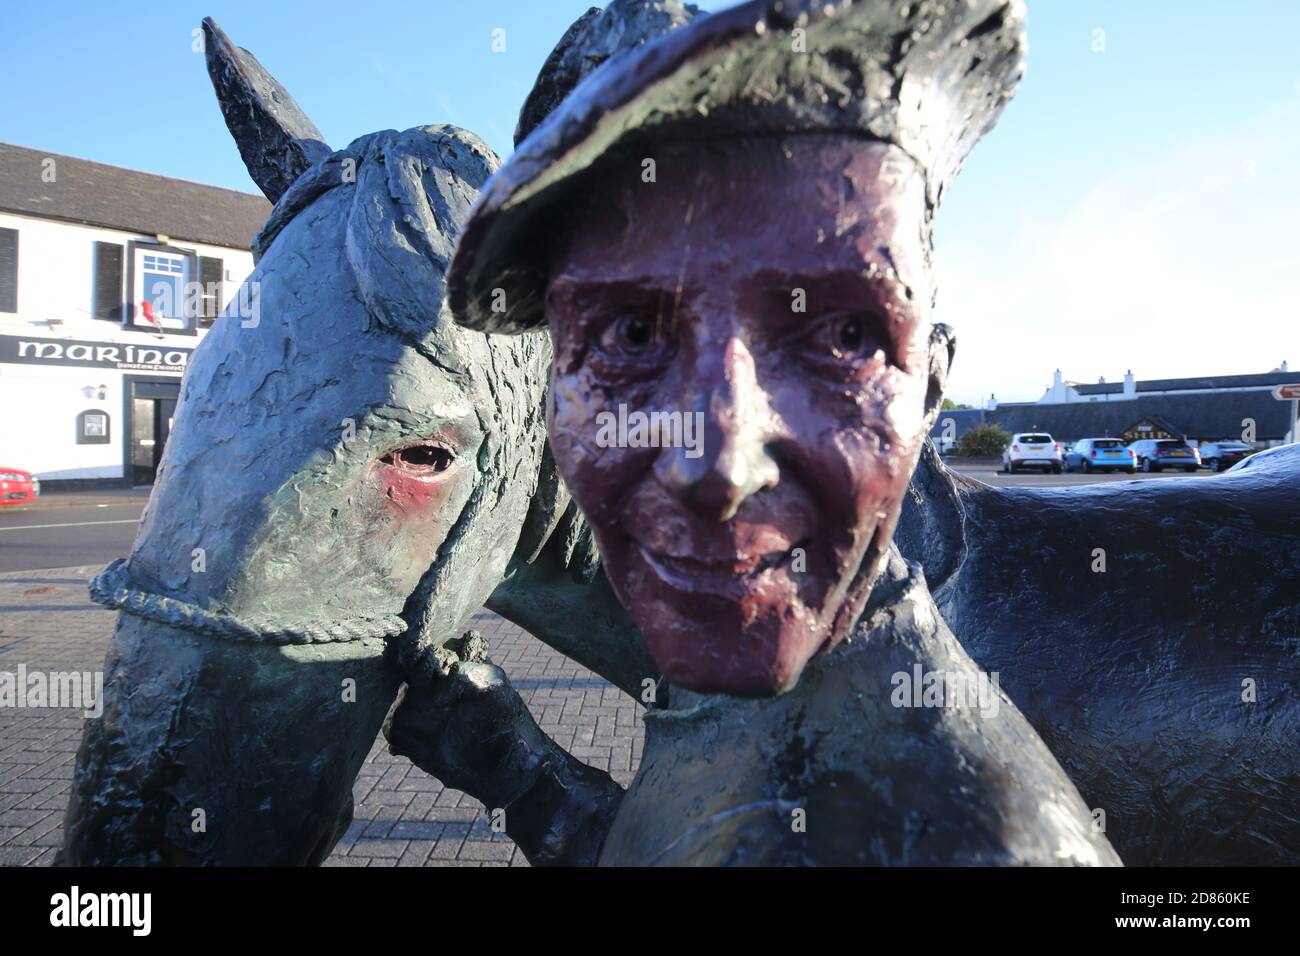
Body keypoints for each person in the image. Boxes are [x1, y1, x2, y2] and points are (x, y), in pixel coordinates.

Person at [448, 0, 1120, 864]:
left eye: (845, 338)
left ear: (931, 393)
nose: (714, 464)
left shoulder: (983, 847)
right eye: (630, 336)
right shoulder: (728, 702)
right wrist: (521, 776)